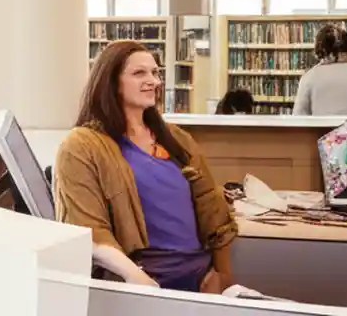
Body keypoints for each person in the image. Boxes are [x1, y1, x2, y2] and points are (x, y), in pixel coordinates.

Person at [54, 40, 237, 292]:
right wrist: (137, 280)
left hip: (202, 280)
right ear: (111, 82)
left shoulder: (177, 139)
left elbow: (214, 211)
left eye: (155, 72)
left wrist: (222, 277)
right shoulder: (82, 146)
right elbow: (89, 230)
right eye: (139, 73)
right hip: (145, 282)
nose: (153, 81)